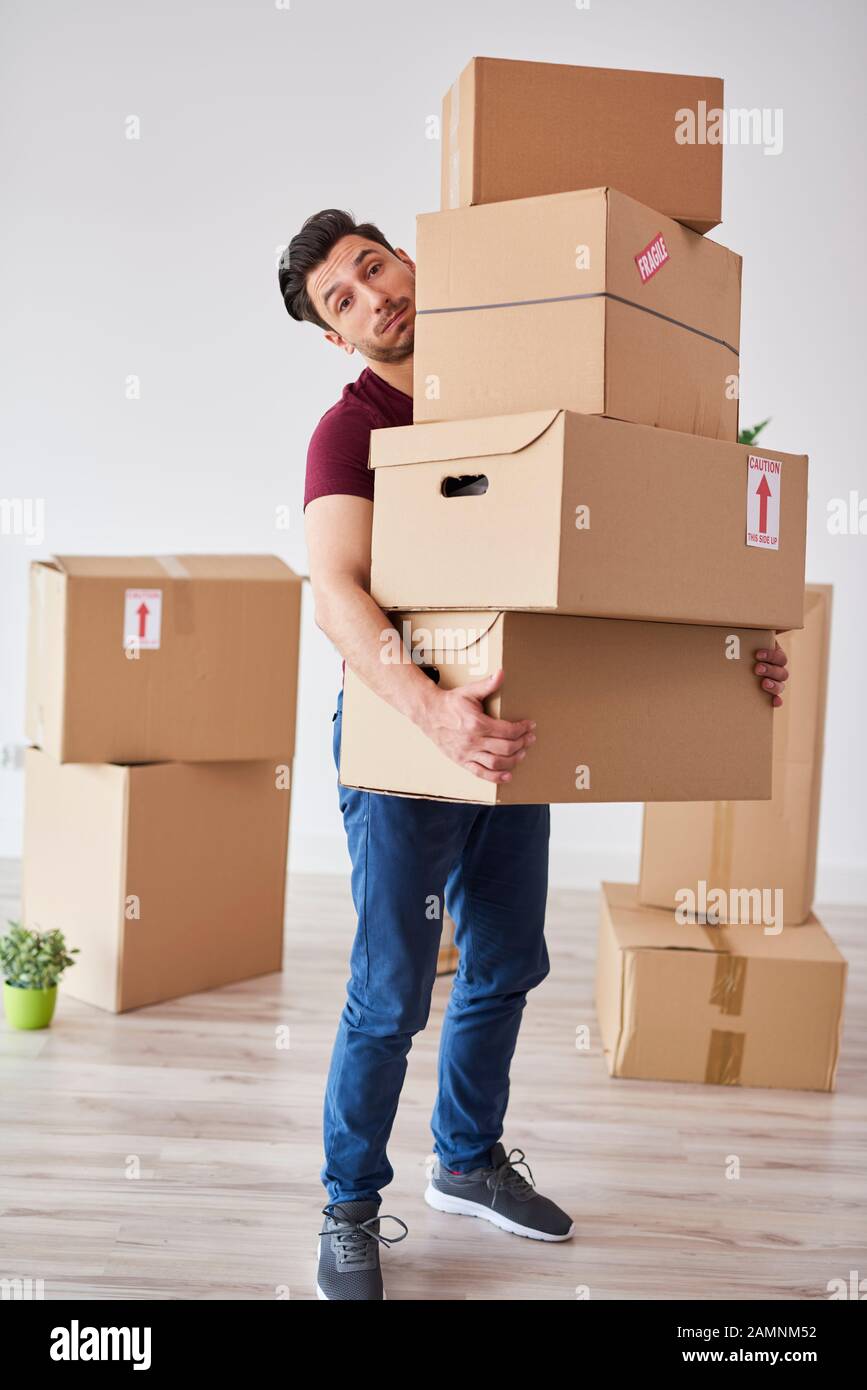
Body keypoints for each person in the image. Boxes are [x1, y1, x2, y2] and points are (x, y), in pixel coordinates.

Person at [277, 209, 791, 1301]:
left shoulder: (525, 387)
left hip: (512, 725)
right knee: (391, 992)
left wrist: (734, 648)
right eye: (343, 300)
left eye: (374, 267)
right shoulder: (351, 428)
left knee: (508, 959)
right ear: (336, 335)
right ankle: (349, 1205)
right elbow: (334, 591)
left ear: (407, 257)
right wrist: (432, 714)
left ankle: (465, 1160)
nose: (374, 297)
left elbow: (631, 544)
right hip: (406, 741)